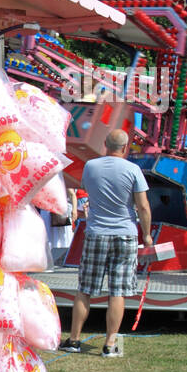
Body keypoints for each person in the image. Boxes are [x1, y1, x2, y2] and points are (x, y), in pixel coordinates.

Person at [62, 130, 153, 358]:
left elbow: (87, 190)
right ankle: (110, 344)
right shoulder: (133, 170)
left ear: (105, 144)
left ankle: (73, 340)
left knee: (85, 289)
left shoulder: (91, 166)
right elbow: (143, 206)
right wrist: (148, 235)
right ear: (125, 147)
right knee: (118, 291)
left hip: (96, 233)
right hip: (125, 234)